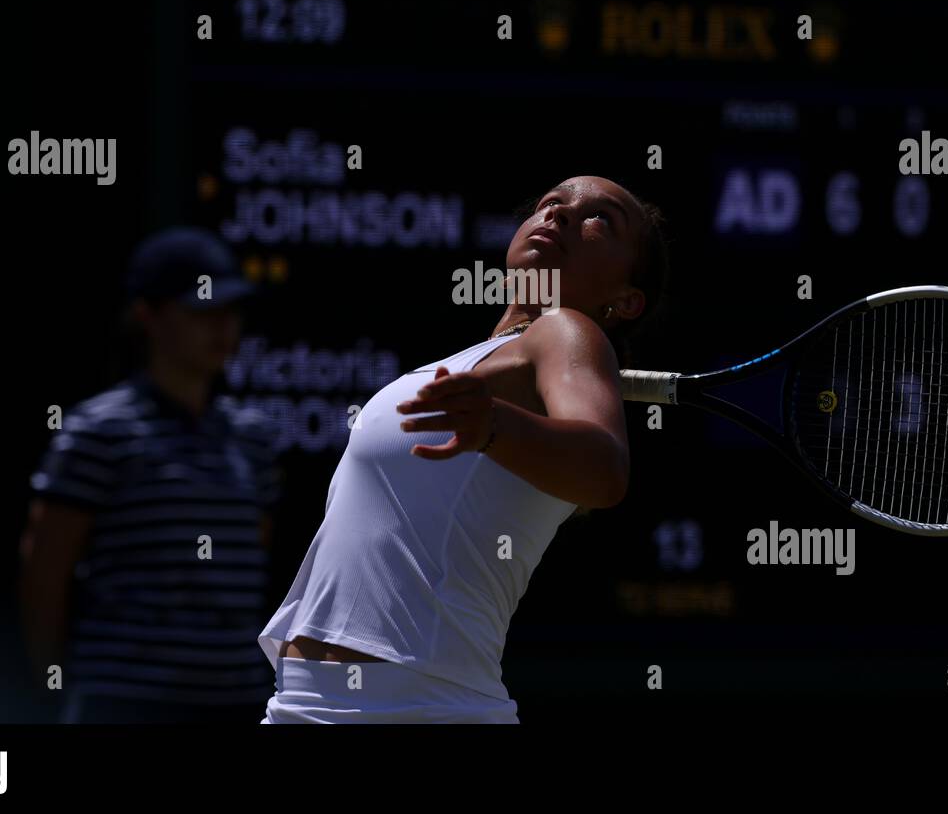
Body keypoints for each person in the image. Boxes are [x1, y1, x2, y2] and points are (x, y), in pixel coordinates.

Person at [259, 175, 669, 723]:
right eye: (551, 202)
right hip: (307, 702)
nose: (561, 214)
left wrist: (495, 426)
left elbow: (604, 470)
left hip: (417, 708)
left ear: (626, 299)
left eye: (601, 219)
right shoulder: (484, 358)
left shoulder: (567, 332)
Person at [19, 227, 284, 723]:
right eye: (202, 311)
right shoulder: (98, 433)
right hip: (123, 703)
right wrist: (50, 686)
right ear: (149, 318)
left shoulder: (254, 440)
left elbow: (251, 567)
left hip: (235, 700)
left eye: (230, 311)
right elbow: (44, 573)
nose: (222, 327)